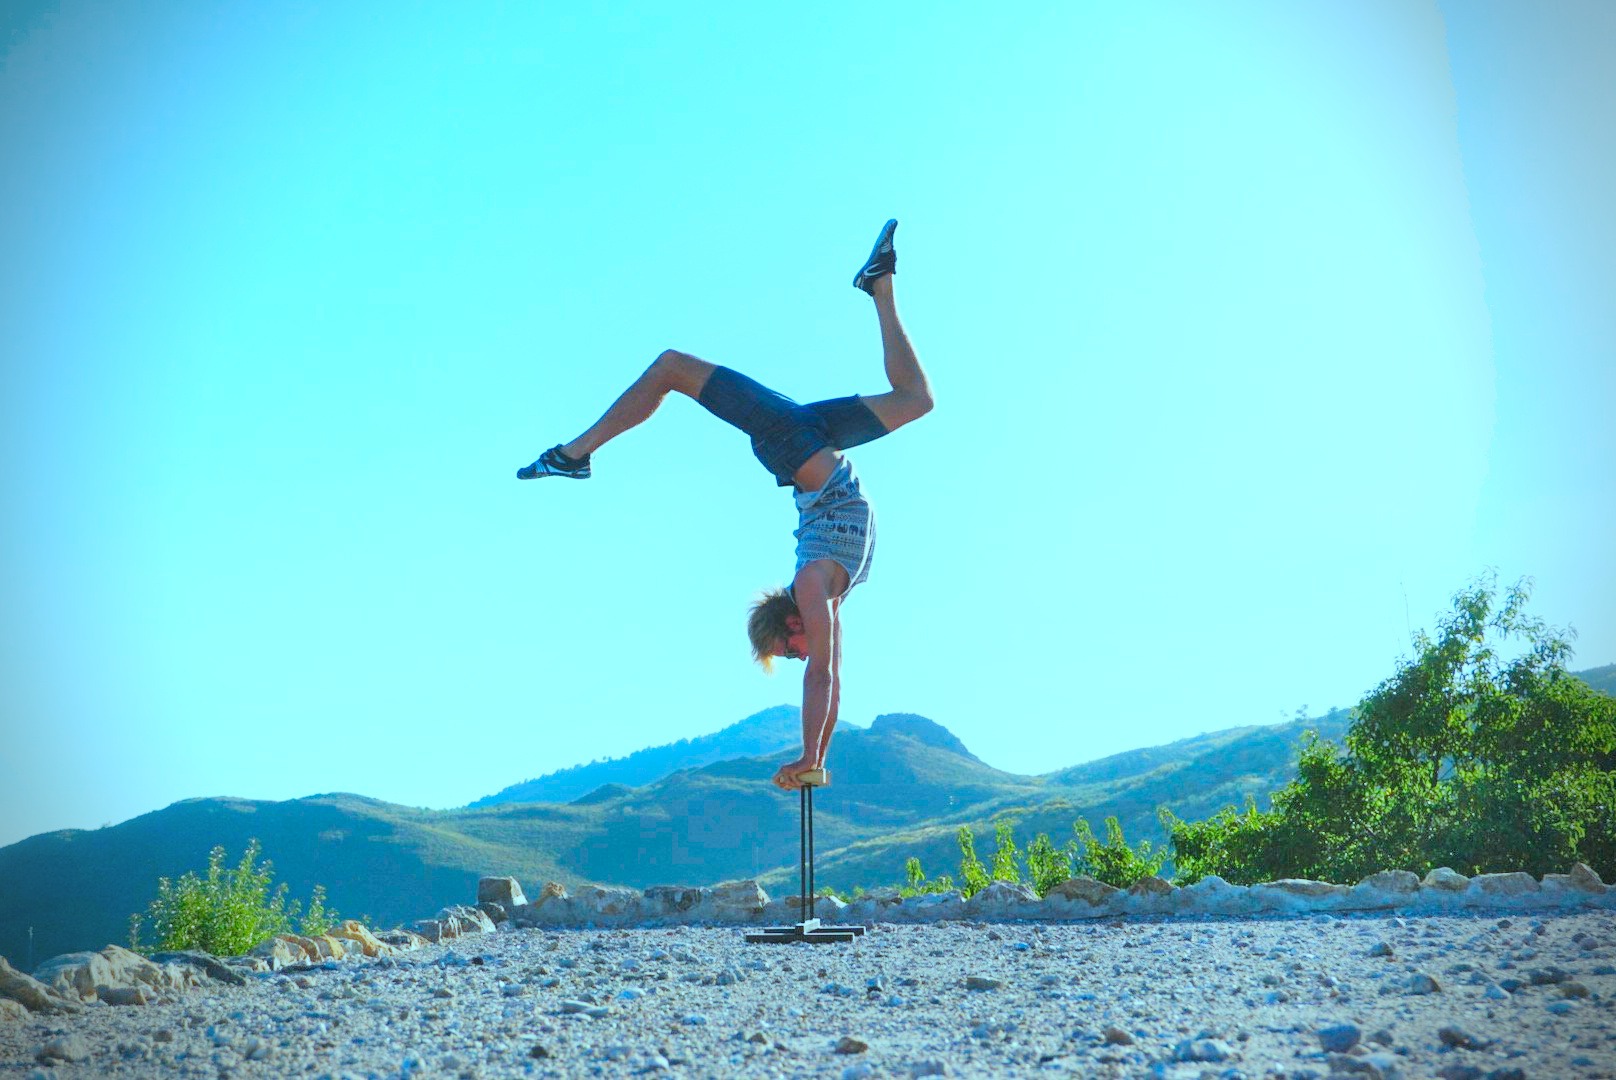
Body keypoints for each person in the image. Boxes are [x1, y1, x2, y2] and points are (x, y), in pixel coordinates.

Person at [518, 220, 933, 791]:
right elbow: (831, 677)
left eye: (788, 651)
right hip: (812, 444)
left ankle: (573, 454)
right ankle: (879, 285)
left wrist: (808, 754)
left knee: (671, 366)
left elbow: (820, 675)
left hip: (795, 443)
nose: (799, 656)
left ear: (792, 623)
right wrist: (815, 761)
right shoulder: (829, 597)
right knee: (916, 400)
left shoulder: (812, 584)